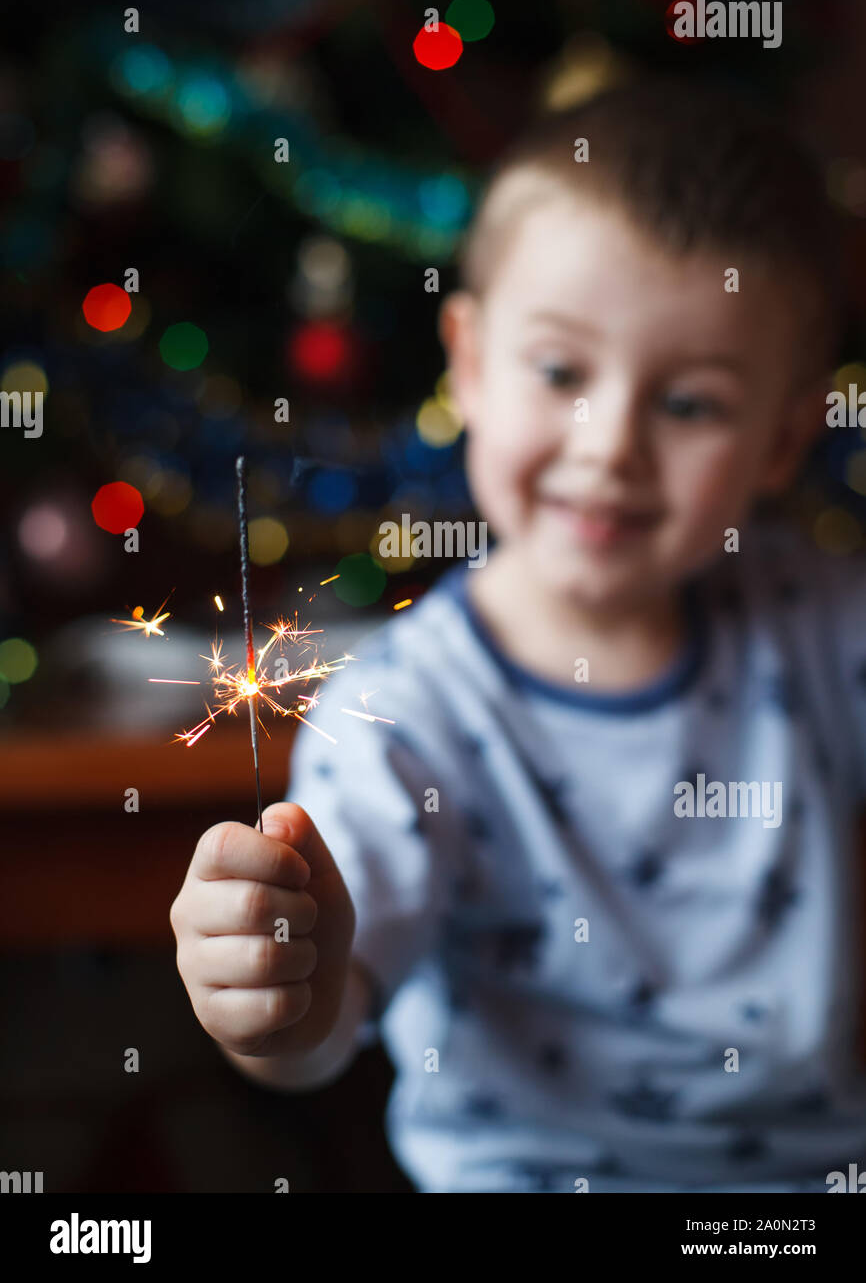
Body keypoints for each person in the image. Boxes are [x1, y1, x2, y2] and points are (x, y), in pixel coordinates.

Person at [171, 78, 866, 1193]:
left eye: (688, 404)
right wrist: (268, 1000)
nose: (609, 450)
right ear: (471, 360)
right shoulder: (403, 716)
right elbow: (323, 1024)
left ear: (783, 440)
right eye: (559, 372)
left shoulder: (821, 621)